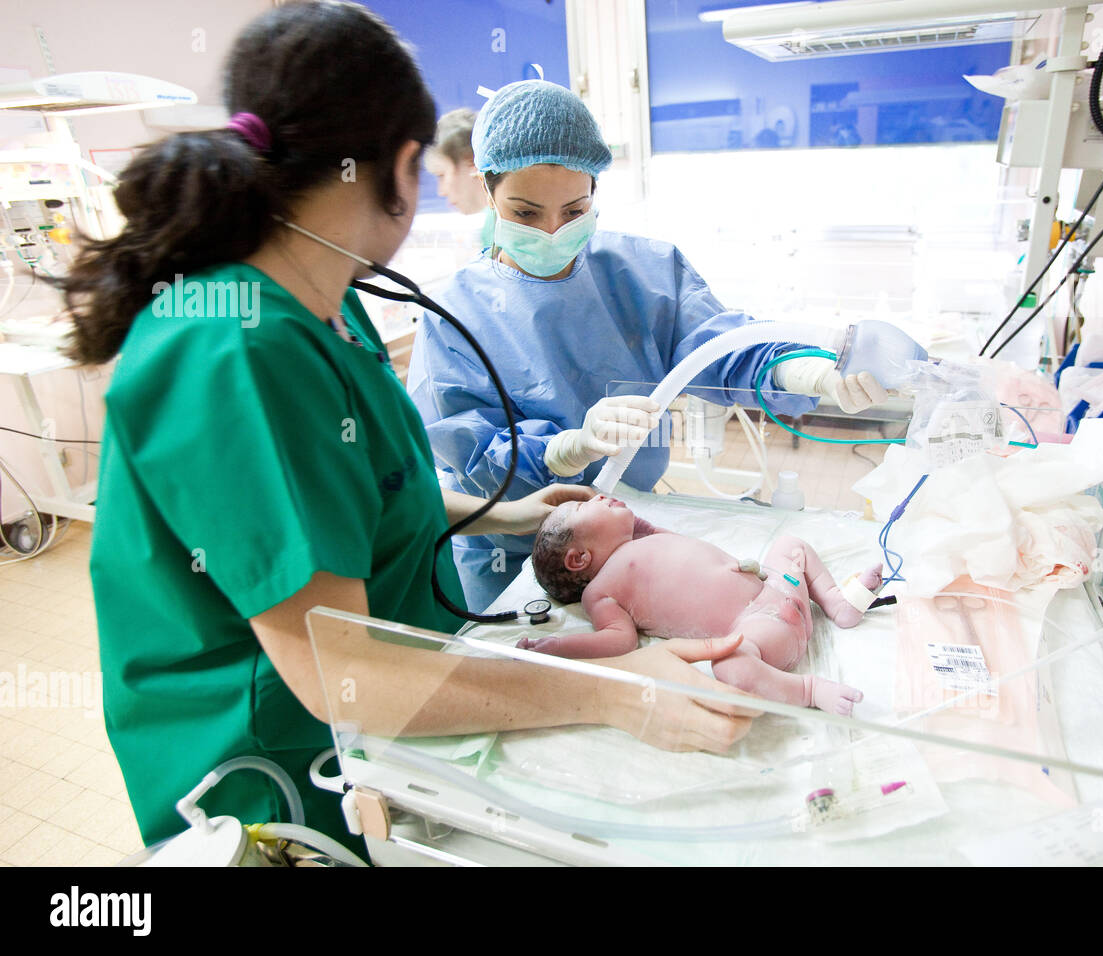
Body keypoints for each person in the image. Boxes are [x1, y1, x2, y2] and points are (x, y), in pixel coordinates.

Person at [58, 1, 757, 856]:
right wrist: (615, 690)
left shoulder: (329, 304)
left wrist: (512, 512)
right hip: (273, 768)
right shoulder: (237, 352)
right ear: (398, 165)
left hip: (393, 714)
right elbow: (339, 671)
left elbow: (365, 487)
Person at [408, 79, 895, 613]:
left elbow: (724, 349)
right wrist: (566, 448)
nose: (551, 232)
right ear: (488, 189)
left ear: (595, 190)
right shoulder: (452, 312)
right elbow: (472, 448)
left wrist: (809, 373)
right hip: (512, 553)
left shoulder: (643, 273)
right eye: (525, 213)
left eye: (573, 212)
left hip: (626, 531)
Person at [525, 494, 885, 715]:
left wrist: (637, 526)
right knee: (729, 665)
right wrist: (559, 646)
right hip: (758, 628)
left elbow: (677, 543)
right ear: (578, 559)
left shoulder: (641, 540)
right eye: (582, 507)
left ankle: (839, 605)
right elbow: (619, 640)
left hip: (778, 587)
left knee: (792, 544)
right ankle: (808, 691)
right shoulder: (600, 592)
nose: (597, 497)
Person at [426, 108, 494, 250]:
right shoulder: (496, 224)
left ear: (472, 161)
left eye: (442, 175)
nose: (441, 192)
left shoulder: (500, 229)